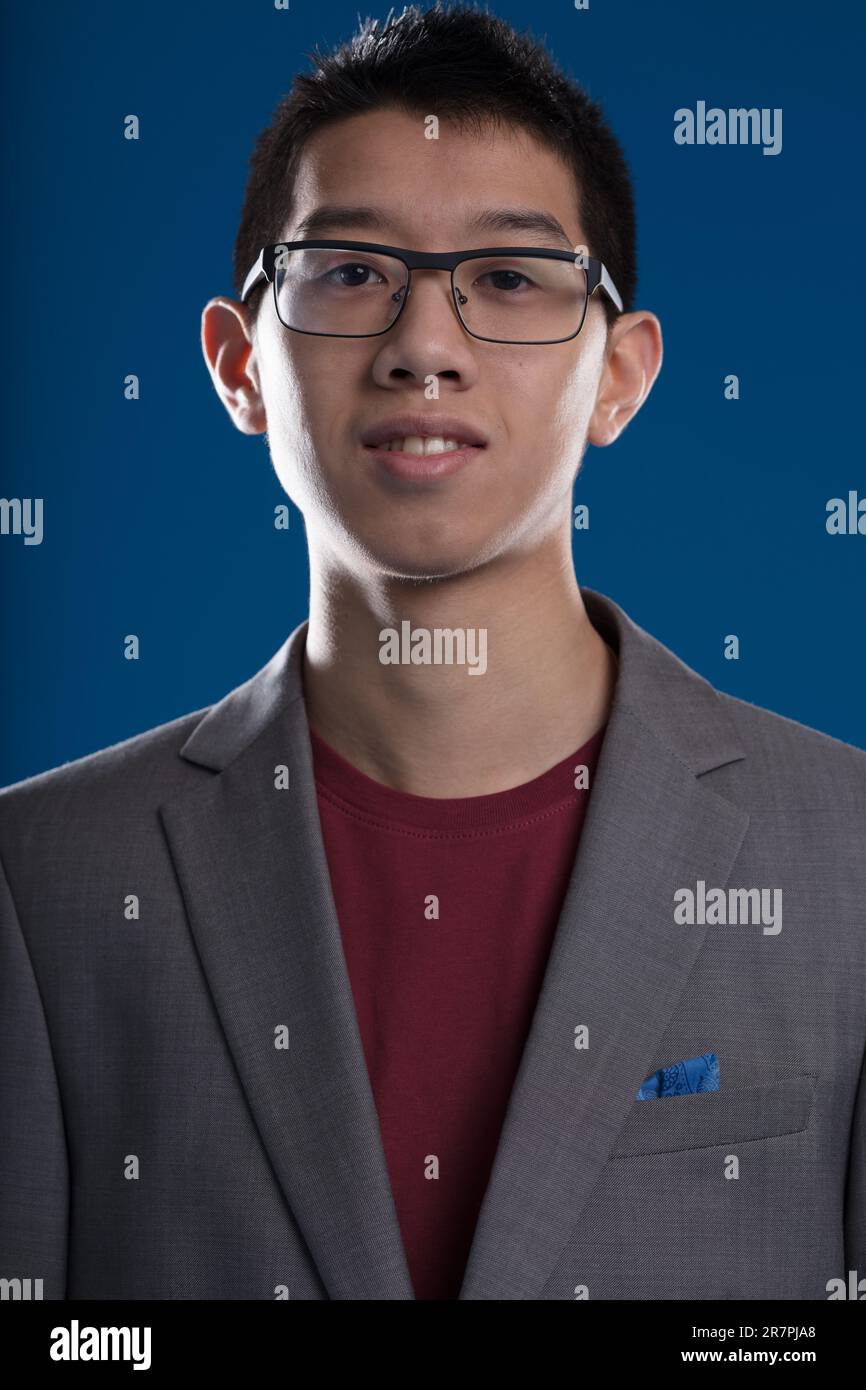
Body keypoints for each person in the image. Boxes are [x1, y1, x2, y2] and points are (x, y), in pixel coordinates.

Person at [1, 3, 864, 1302]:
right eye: (351, 270)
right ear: (240, 365)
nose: (422, 347)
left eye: (509, 279)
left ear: (619, 374)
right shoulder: (43, 878)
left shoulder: (846, 854)